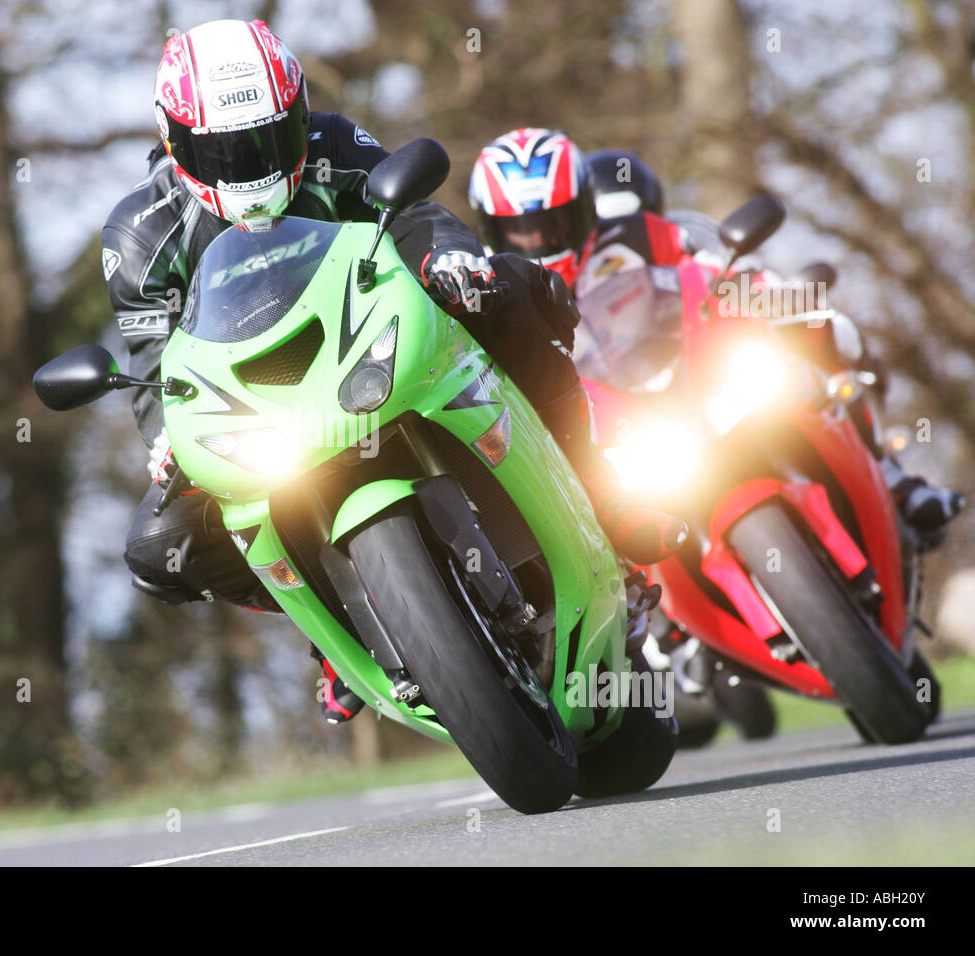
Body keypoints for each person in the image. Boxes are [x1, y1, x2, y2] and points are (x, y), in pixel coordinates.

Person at [104, 22, 686, 725]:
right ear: (175, 143)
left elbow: (413, 215)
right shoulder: (141, 232)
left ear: (298, 113)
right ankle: (325, 626)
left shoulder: (334, 144)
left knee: (518, 286)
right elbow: (155, 362)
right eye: (222, 150)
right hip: (259, 412)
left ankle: (598, 493)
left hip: (367, 352)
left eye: (267, 137)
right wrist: (167, 434)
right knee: (158, 547)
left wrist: (449, 261)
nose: (248, 163)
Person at [469, 131, 964, 544]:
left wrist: (767, 294)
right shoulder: (498, 297)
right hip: (620, 437)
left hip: (695, 378)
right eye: (520, 230)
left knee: (821, 325)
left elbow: (717, 262)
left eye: (550, 222)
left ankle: (897, 482)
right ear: (491, 229)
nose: (537, 240)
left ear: (582, 207)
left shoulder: (638, 233)